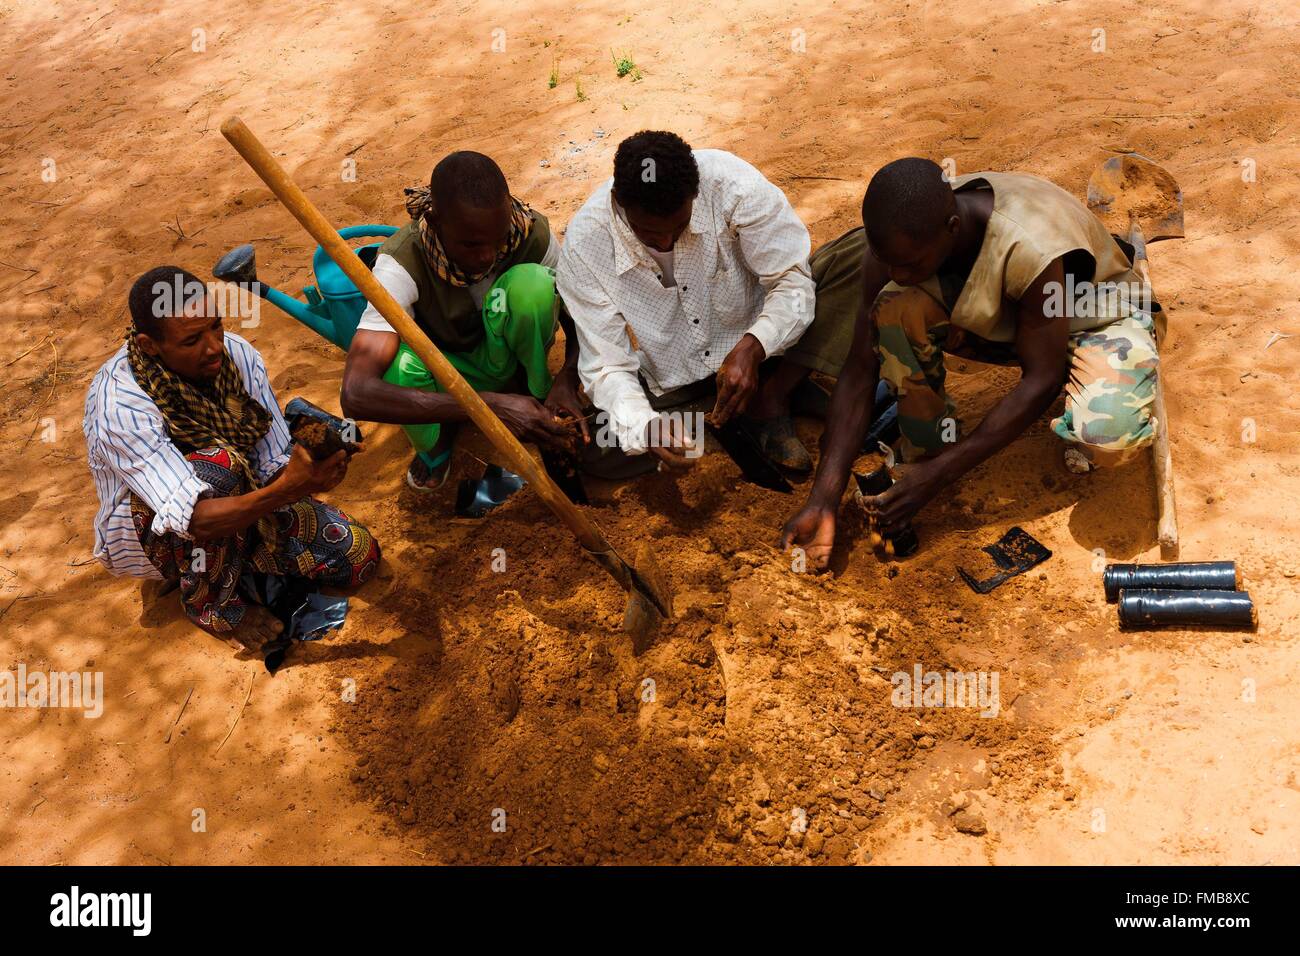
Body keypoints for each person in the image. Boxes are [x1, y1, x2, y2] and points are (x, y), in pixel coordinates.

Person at [782, 158, 1159, 569]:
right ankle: (928, 447)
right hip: (1019, 318)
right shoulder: (900, 246)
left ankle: (1099, 381)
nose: (895, 273)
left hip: (1093, 312)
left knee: (1109, 439)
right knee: (892, 307)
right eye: (886, 261)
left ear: (952, 229)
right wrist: (822, 499)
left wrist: (940, 476)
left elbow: (1043, 378)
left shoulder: (1030, 245)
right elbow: (859, 371)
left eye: (909, 265)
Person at [85, 266, 380, 641]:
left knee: (357, 557)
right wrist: (288, 489)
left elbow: (272, 464)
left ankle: (238, 561)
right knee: (219, 469)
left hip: (241, 504)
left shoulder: (238, 356)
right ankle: (212, 605)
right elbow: (195, 521)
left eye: (215, 327)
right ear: (149, 345)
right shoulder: (121, 404)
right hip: (155, 535)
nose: (214, 347)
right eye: (192, 341)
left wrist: (314, 465)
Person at [556, 130, 858, 475]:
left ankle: (772, 394)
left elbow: (792, 284)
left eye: (679, 227)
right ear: (618, 202)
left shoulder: (734, 186)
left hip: (772, 354)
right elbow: (606, 365)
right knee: (595, 445)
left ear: (695, 195)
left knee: (857, 258)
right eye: (649, 234)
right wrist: (644, 424)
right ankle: (727, 418)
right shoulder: (584, 245)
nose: (666, 242)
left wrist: (753, 347)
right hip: (675, 380)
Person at [340, 151, 582, 490]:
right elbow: (356, 393)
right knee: (397, 365)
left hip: (504, 356)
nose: (486, 256)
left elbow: (582, 318)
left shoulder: (530, 232)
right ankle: (438, 443)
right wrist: (487, 406)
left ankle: (535, 391)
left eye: (497, 242)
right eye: (470, 244)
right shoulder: (401, 264)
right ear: (436, 222)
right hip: (447, 373)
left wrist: (568, 378)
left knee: (536, 288)